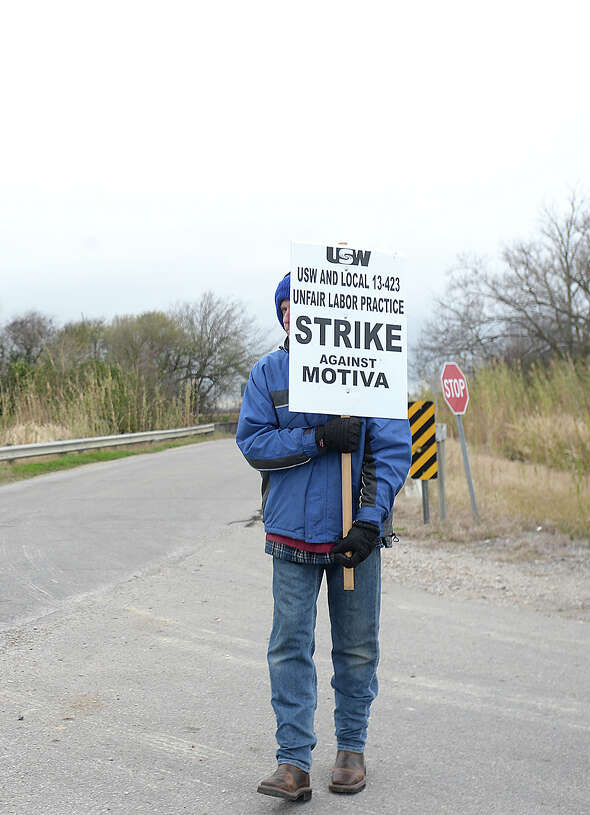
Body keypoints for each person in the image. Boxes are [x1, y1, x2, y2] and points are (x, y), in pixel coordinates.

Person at [235, 272, 410, 802]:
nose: (294, 314)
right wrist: (317, 438)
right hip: (291, 536)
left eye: (303, 305)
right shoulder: (269, 374)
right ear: (282, 316)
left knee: (356, 648)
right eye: (287, 307)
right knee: (289, 646)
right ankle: (293, 763)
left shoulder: (373, 373)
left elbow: (391, 452)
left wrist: (370, 519)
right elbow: (254, 443)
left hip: (354, 539)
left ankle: (351, 749)